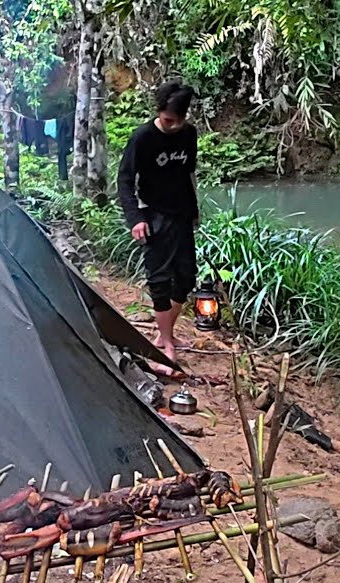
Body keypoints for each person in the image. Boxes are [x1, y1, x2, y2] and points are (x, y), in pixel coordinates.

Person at [117, 81, 199, 368]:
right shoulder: (143, 138)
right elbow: (125, 181)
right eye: (168, 120)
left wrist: (195, 210)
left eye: (178, 121)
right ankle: (165, 339)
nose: (173, 126)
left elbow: (189, 174)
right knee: (160, 279)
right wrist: (135, 219)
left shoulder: (189, 134)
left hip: (181, 214)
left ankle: (167, 333)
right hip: (153, 214)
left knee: (187, 277)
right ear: (159, 111)